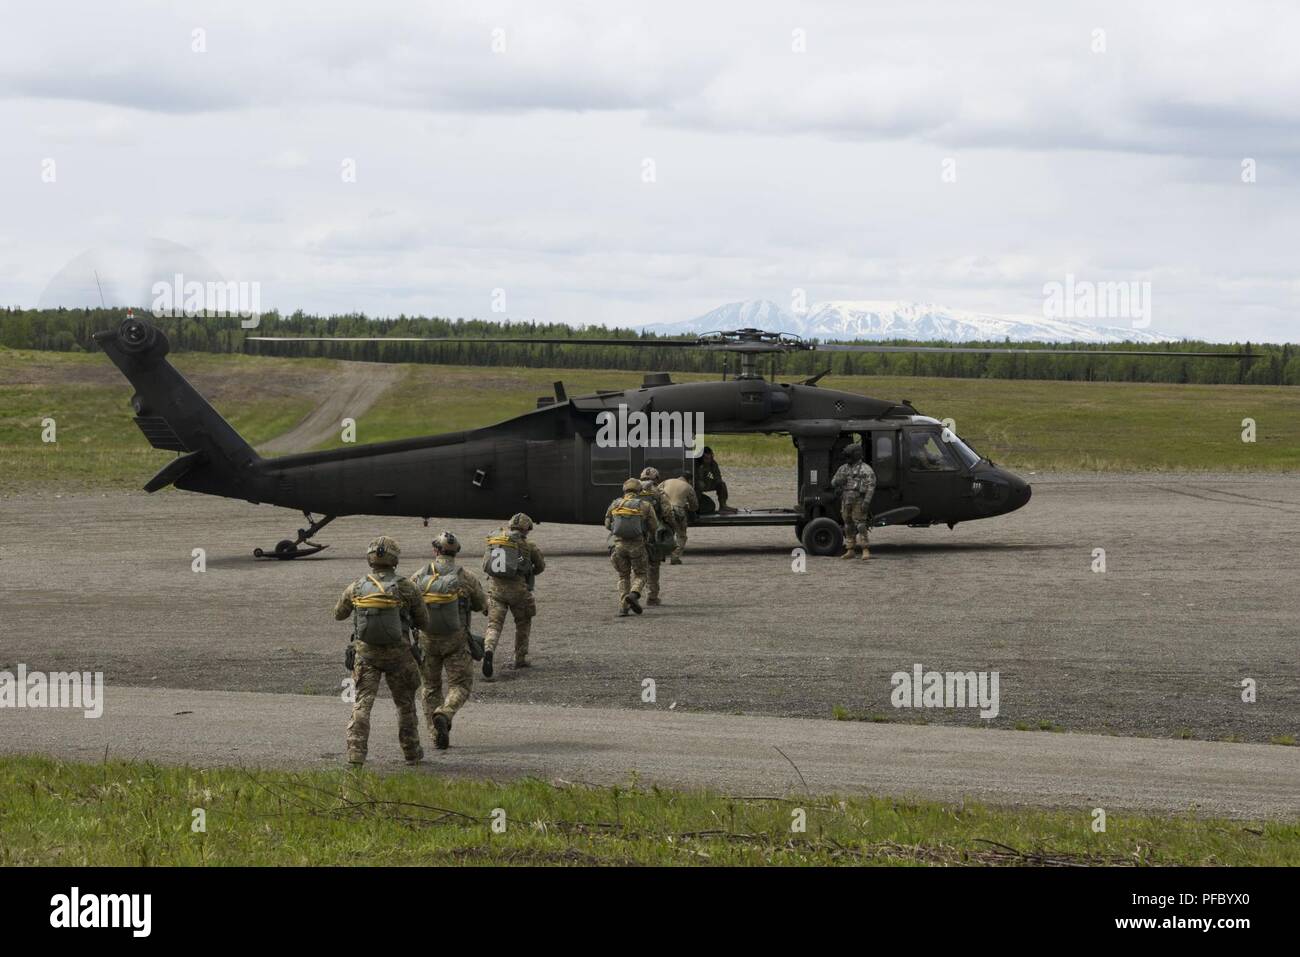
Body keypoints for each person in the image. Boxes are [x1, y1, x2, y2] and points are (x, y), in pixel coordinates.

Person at [334, 536, 429, 766]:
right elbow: (424, 622)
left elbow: (338, 613)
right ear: (395, 560)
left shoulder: (356, 586)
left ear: (370, 560)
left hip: (366, 655)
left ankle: (355, 752)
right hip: (399, 655)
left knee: (362, 704)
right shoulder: (407, 587)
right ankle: (411, 752)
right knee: (405, 704)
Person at [408, 531, 486, 750]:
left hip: (427, 640)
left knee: (430, 687)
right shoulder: (465, 577)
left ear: (435, 550)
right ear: (456, 552)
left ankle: (435, 734)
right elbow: (481, 605)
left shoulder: (420, 576)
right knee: (460, 685)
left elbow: (407, 602)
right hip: (456, 640)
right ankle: (446, 712)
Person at [481, 512, 545, 678]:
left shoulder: (496, 541)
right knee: (523, 622)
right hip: (518, 590)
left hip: (496, 590)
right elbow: (540, 566)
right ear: (526, 529)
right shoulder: (527, 546)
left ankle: (488, 649)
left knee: (494, 624)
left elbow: (484, 564)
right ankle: (520, 657)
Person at [605, 477, 658, 616]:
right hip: (637, 545)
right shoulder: (645, 505)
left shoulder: (615, 504)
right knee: (641, 574)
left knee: (623, 576)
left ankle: (623, 607)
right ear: (639, 490)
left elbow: (607, 524)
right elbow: (654, 526)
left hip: (619, 546)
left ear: (624, 489)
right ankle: (634, 594)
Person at [830, 442, 877, 560]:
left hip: (859, 499)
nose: (847, 459)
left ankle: (865, 549)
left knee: (860, 524)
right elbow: (833, 482)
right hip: (846, 499)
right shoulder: (843, 468)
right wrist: (839, 481)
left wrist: (866, 501)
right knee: (848, 524)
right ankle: (850, 549)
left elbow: (871, 486)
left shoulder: (866, 469)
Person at [637, 473, 671, 605]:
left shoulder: (634, 491)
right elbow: (667, 512)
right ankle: (652, 597)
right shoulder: (659, 493)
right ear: (657, 479)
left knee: (637, 567)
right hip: (654, 534)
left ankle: (634, 592)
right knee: (654, 566)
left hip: (637, 534)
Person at [657, 472, 698, 564]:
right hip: (678, 511)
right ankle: (675, 557)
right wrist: (688, 507)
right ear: (690, 480)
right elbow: (695, 506)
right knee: (681, 535)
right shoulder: (688, 487)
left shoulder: (666, 482)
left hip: (665, 509)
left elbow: (656, 493)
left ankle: (659, 555)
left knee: (663, 532)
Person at [693, 447, 736, 514]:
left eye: (710, 458)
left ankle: (723, 506)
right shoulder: (695, 463)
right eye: (706, 458)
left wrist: (717, 482)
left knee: (721, 484)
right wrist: (699, 480)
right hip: (694, 485)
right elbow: (693, 477)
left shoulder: (713, 463)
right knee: (699, 485)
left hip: (706, 482)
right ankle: (695, 508)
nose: (708, 460)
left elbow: (717, 477)